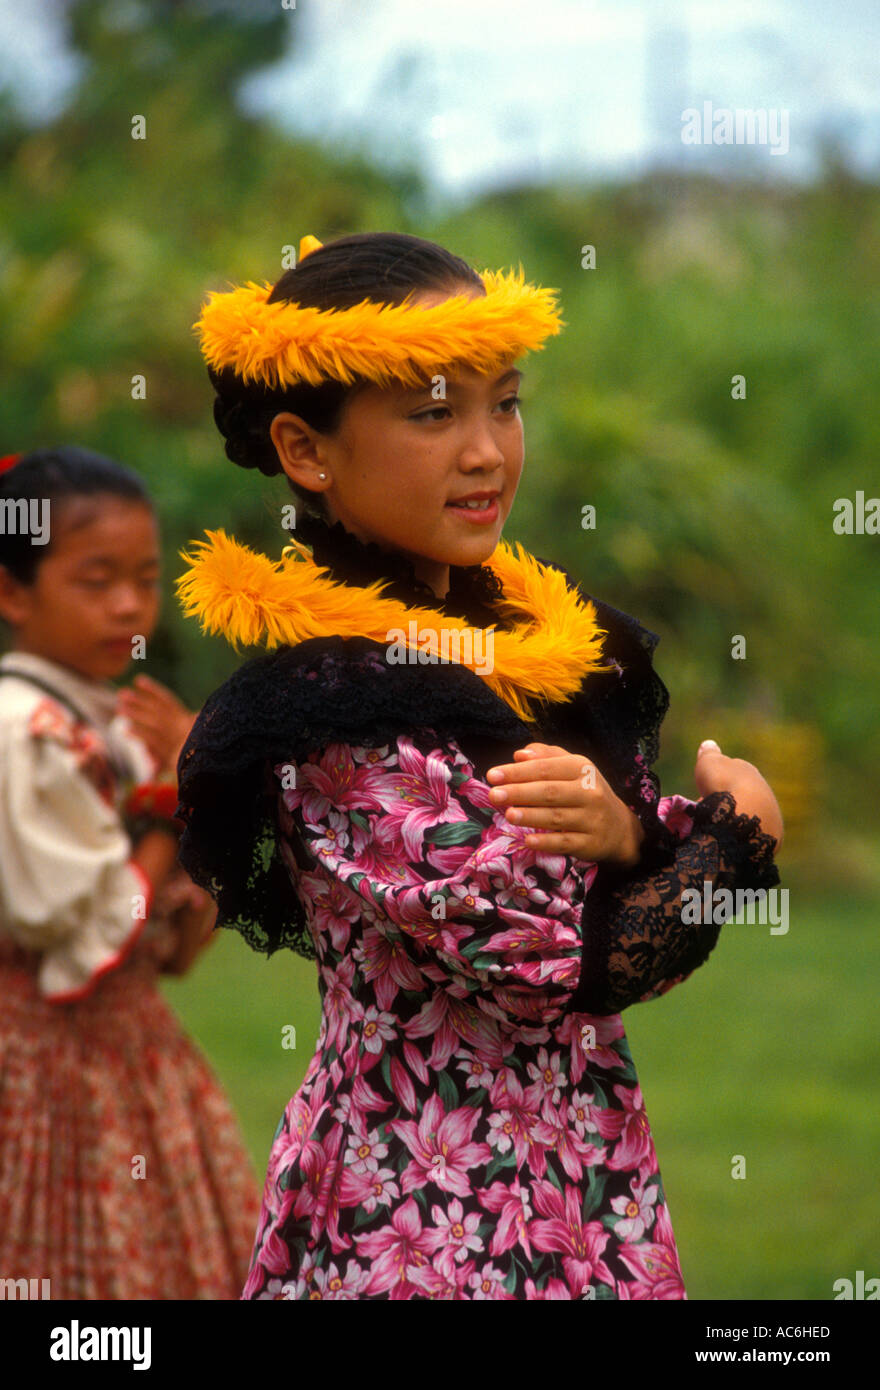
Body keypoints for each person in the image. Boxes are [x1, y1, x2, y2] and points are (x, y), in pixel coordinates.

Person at [174, 231, 783, 1300]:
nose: (486, 451)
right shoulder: (341, 710)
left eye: (503, 403)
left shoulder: (512, 642)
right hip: (424, 1202)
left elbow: (607, 844)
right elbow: (568, 958)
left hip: (579, 1171)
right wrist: (730, 839)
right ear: (307, 452)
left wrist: (637, 833)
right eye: (432, 412)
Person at [0, 446, 261, 1299]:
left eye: (145, 579)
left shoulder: (109, 716)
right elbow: (84, 927)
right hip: (42, 1062)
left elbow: (174, 949)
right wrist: (169, 803)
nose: (127, 605)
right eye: (95, 578)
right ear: (12, 591)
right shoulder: (21, 732)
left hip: (124, 1052)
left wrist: (189, 783)